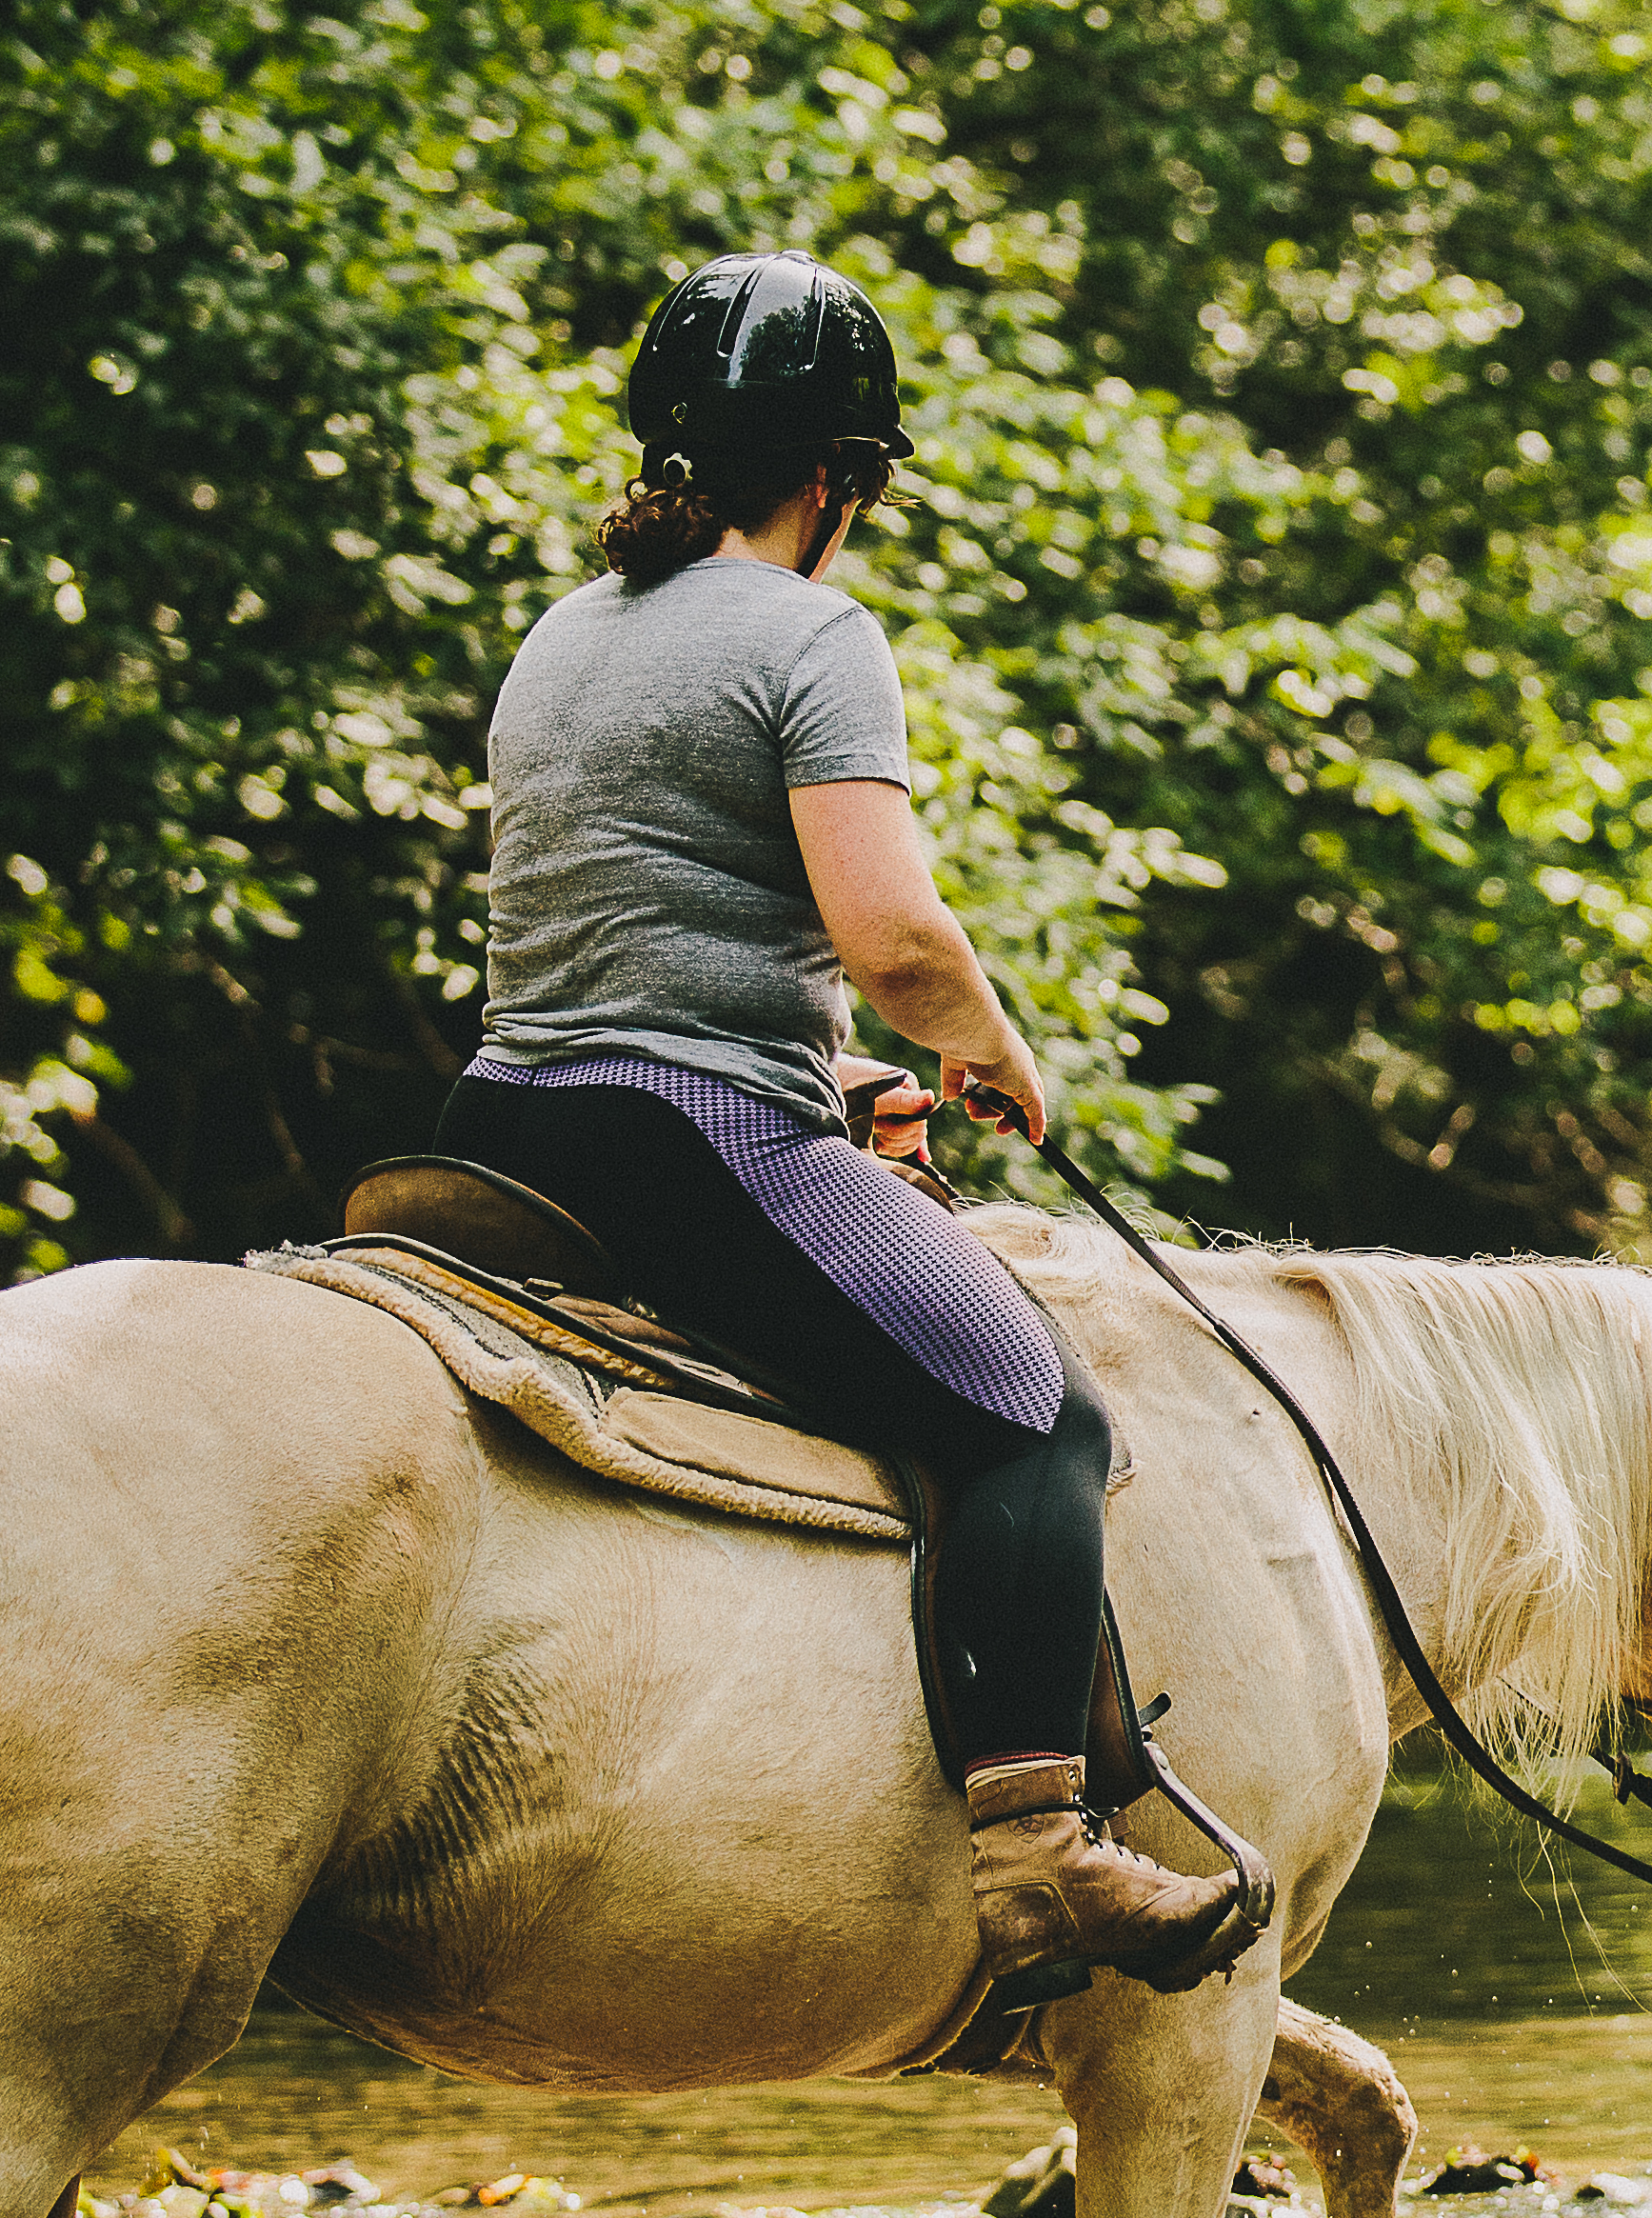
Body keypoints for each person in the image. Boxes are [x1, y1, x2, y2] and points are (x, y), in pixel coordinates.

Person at [432, 248, 1266, 1995]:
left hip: (507, 1123)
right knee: (1038, 1417)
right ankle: (1042, 1855)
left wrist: (838, 1076)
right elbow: (892, 938)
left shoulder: (563, 634)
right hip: (689, 1137)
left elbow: (626, 933)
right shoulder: (817, 633)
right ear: (840, 478)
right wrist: (988, 1051)